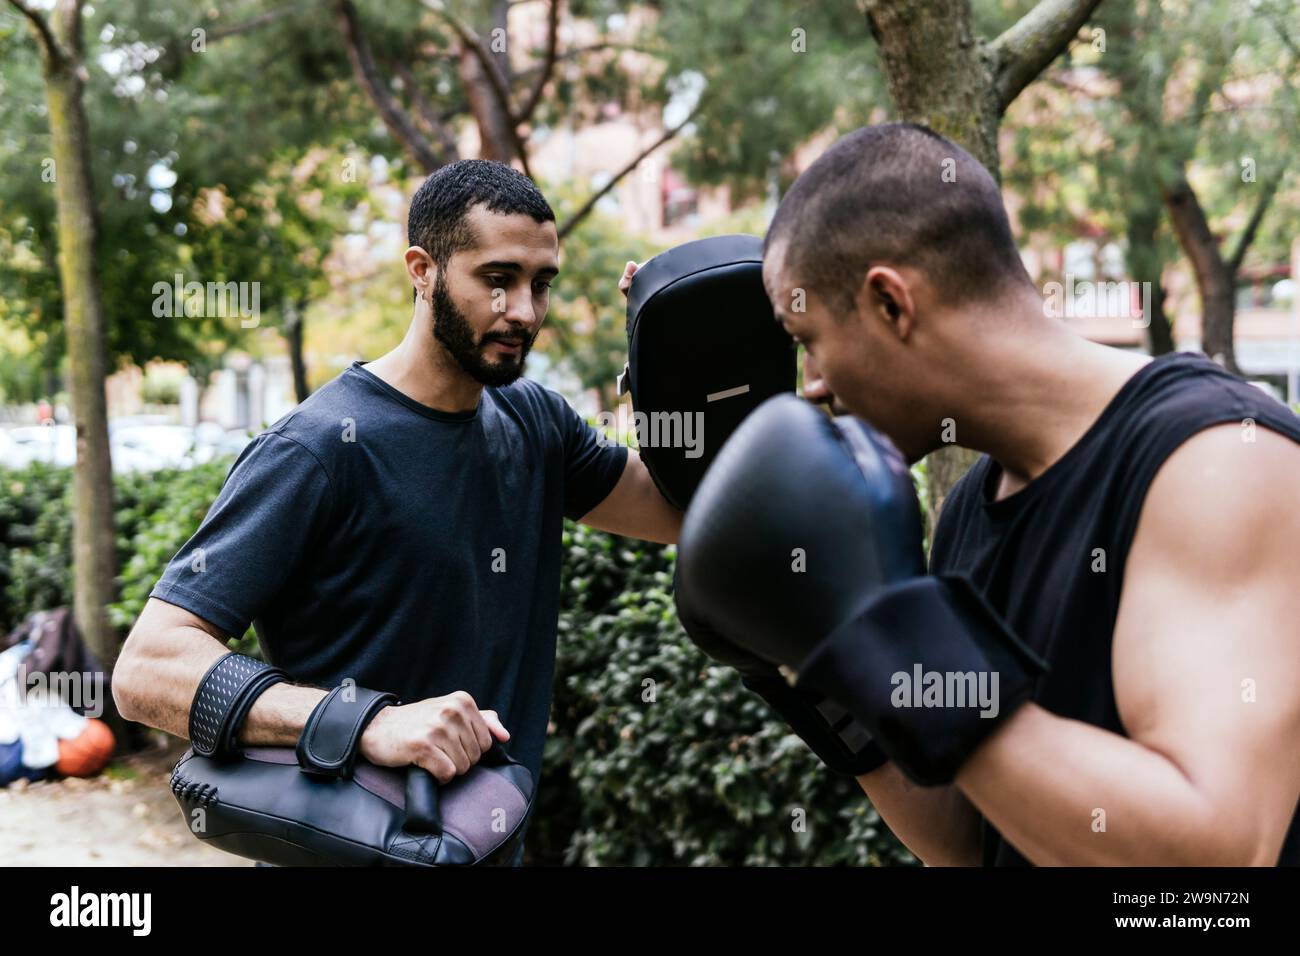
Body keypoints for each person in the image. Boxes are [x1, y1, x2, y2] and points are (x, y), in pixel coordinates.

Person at [726, 122, 1300, 865]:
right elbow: (973, 841)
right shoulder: (969, 508)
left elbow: (1216, 859)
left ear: (891, 304)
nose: (814, 386)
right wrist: (816, 672)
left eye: (808, 339)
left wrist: (890, 639)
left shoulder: (1218, 458)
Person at [112, 160, 682, 863]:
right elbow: (145, 670)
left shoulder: (535, 423)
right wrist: (363, 721)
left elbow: (679, 514)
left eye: (541, 284)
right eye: (497, 280)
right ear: (423, 269)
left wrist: (673, 356)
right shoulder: (320, 448)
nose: (526, 312)